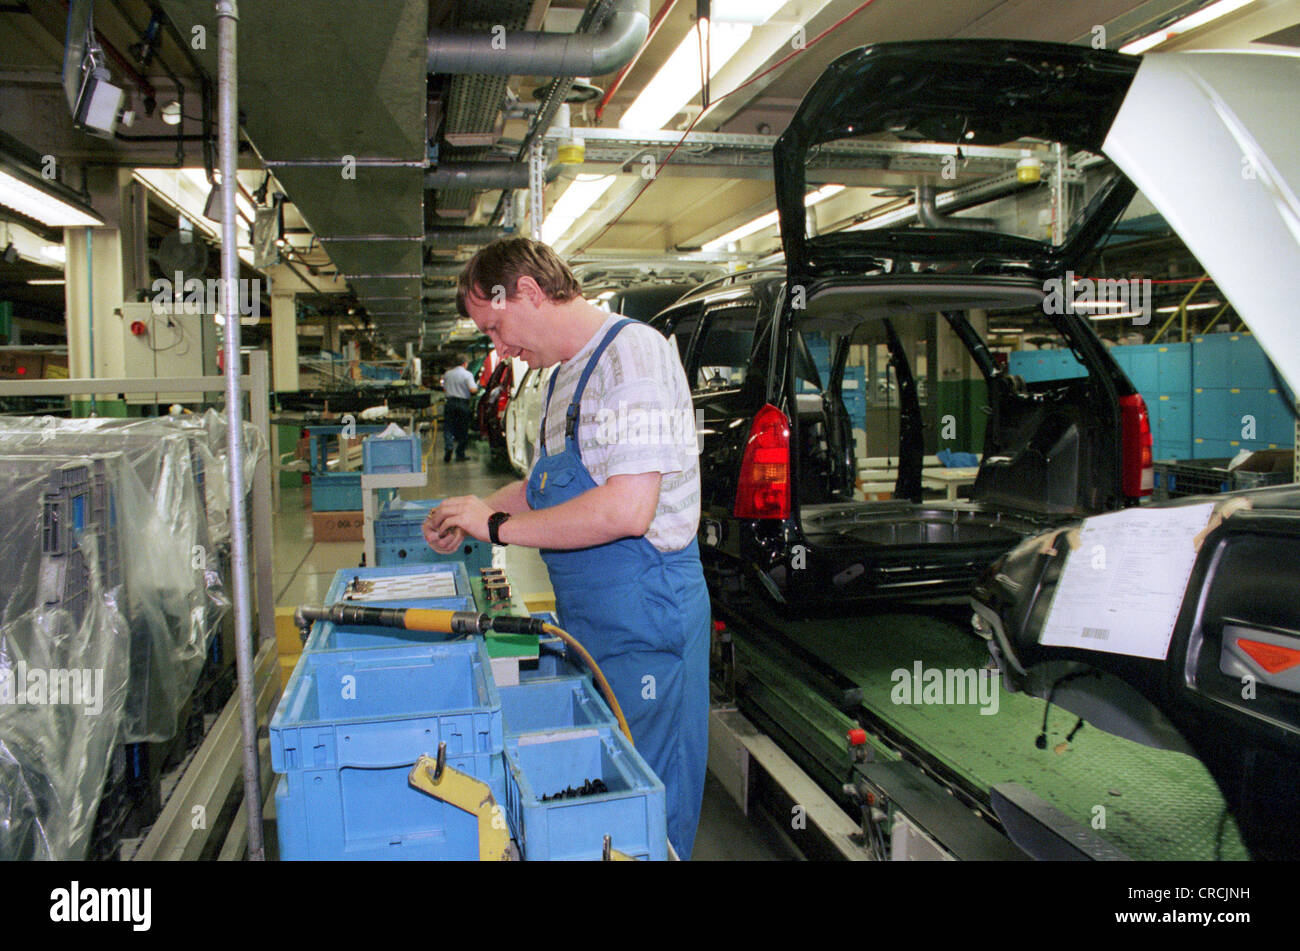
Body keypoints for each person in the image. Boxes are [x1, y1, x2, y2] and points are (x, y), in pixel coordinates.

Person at [422, 237, 709, 859]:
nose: (498, 349)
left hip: (644, 611)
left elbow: (627, 509)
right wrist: (477, 511)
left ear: (528, 291)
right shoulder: (559, 379)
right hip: (592, 616)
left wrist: (496, 529)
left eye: (496, 327)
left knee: (646, 797)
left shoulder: (632, 357)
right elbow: (545, 486)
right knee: (610, 789)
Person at [440, 352, 478, 463]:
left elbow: (444, 389)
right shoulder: (467, 374)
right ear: (465, 363)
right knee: (463, 429)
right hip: (462, 404)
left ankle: (449, 447)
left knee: (448, 427)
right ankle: (460, 453)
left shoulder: (447, 374)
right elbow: (473, 390)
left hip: (450, 403)